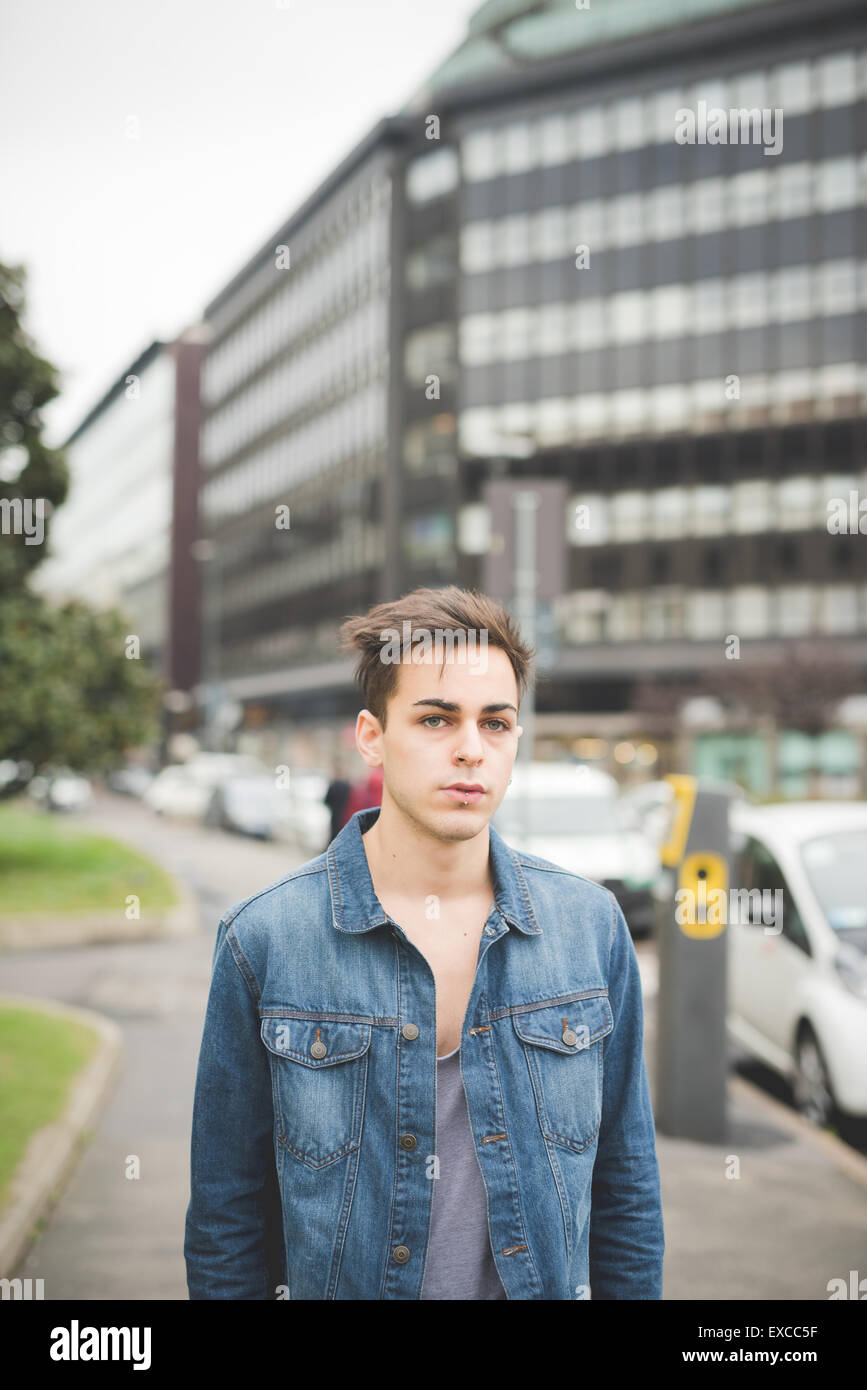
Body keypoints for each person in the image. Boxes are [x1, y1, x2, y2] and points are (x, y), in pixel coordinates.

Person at [184, 585, 664, 1300]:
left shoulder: (588, 928)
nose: (470, 750)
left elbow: (625, 1189)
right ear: (372, 735)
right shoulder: (266, 938)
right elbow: (226, 1218)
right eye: (436, 719)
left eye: (494, 724)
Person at [323, 761, 352, 844]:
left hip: (335, 814)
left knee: (333, 834)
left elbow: (327, 800)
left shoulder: (333, 785)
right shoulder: (347, 785)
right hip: (345, 814)